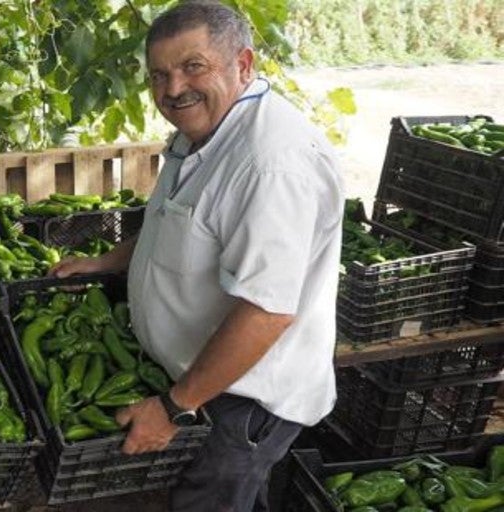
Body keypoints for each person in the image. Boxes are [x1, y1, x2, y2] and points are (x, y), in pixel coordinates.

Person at [52, 1, 343, 510]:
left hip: (243, 401)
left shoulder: (271, 165)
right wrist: (109, 262)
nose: (173, 89)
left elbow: (267, 310)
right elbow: (176, 223)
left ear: (244, 64)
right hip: (202, 382)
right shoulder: (203, 132)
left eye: (194, 67)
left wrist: (173, 408)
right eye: (159, 75)